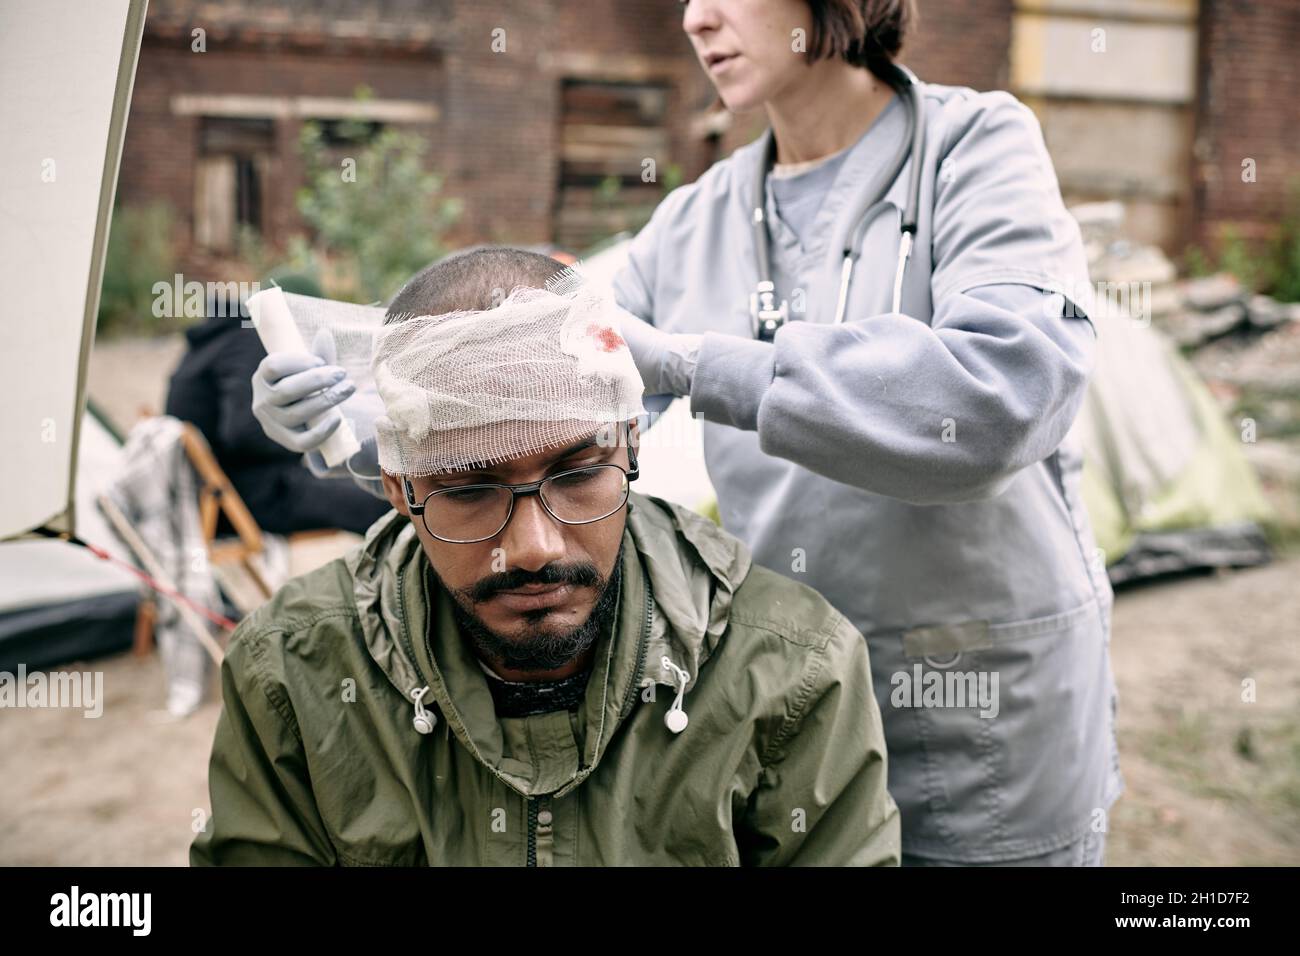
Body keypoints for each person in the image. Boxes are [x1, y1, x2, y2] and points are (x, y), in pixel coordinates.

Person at [250, 0, 1123, 866]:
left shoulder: (976, 149)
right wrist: (362, 417)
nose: (696, 20)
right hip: (791, 701)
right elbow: (543, 393)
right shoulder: (698, 218)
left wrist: (700, 367)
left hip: (978, 710)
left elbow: (1005, 395)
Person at [193, 248, 899, 866]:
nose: (532, 548)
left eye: (576, 473)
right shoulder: (293, 671)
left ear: (632, 446)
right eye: (470, 486)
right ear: (398, 489)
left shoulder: (790, 672)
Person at [165, 271, 390, 536]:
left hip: (203, 492)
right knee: (386, 504)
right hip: (242, 498)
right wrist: (307, 437)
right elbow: (241, 432)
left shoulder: (218, 337)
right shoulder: (249, 341)